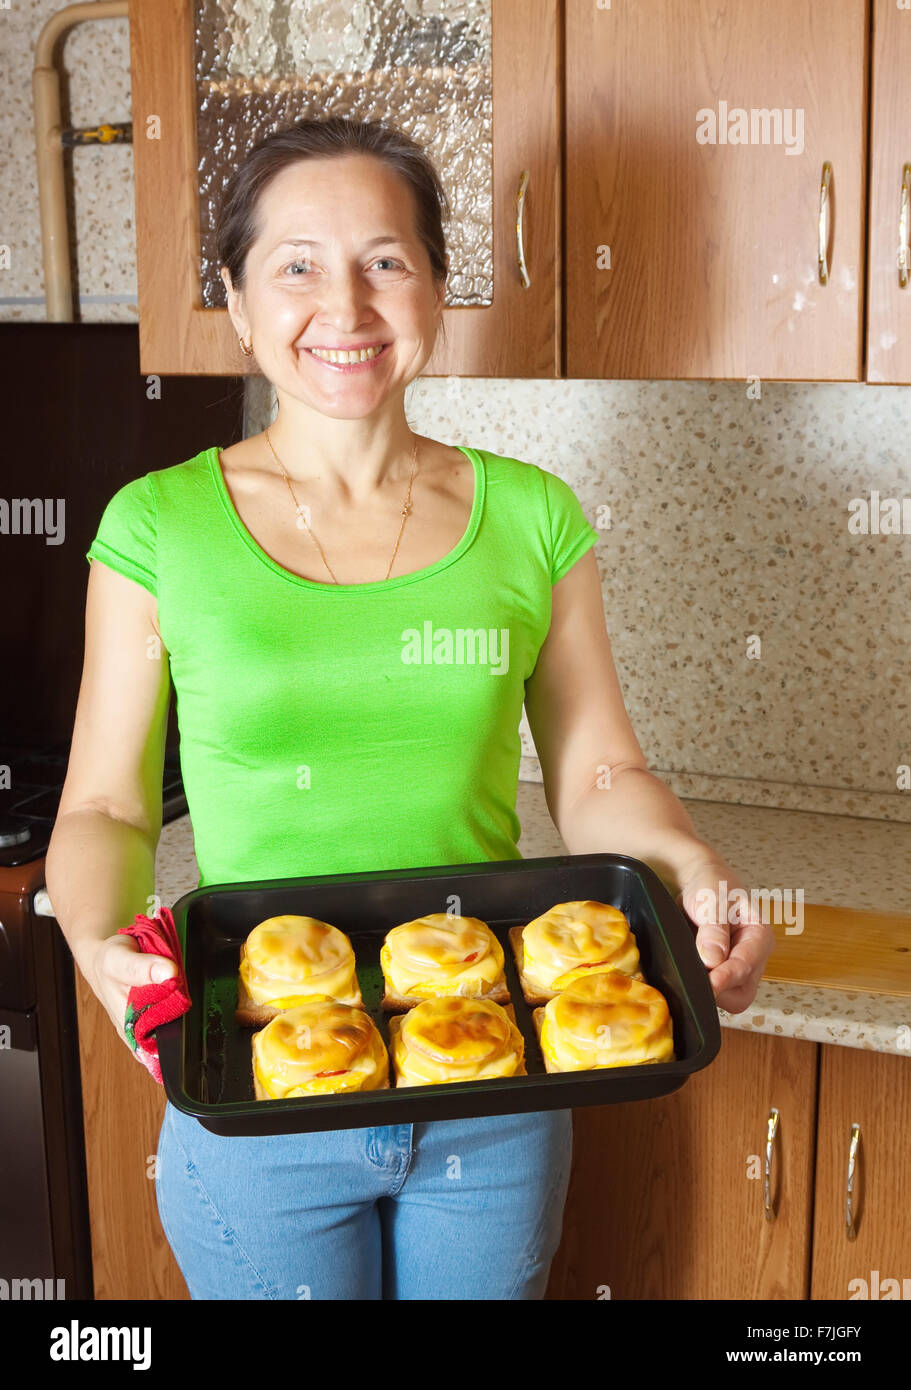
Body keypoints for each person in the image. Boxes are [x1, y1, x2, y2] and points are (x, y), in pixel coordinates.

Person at [45, 116, 774, 1301]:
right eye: (295, 265)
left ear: (436, 286)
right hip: (259, 1090)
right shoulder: (157, 527)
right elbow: (106, 805)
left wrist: (690, 869)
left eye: (385, 260)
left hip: (495, 1085)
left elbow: (597, 776)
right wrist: (98, 942)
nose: (345, 304)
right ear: (235, 298)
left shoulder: (532, 516)